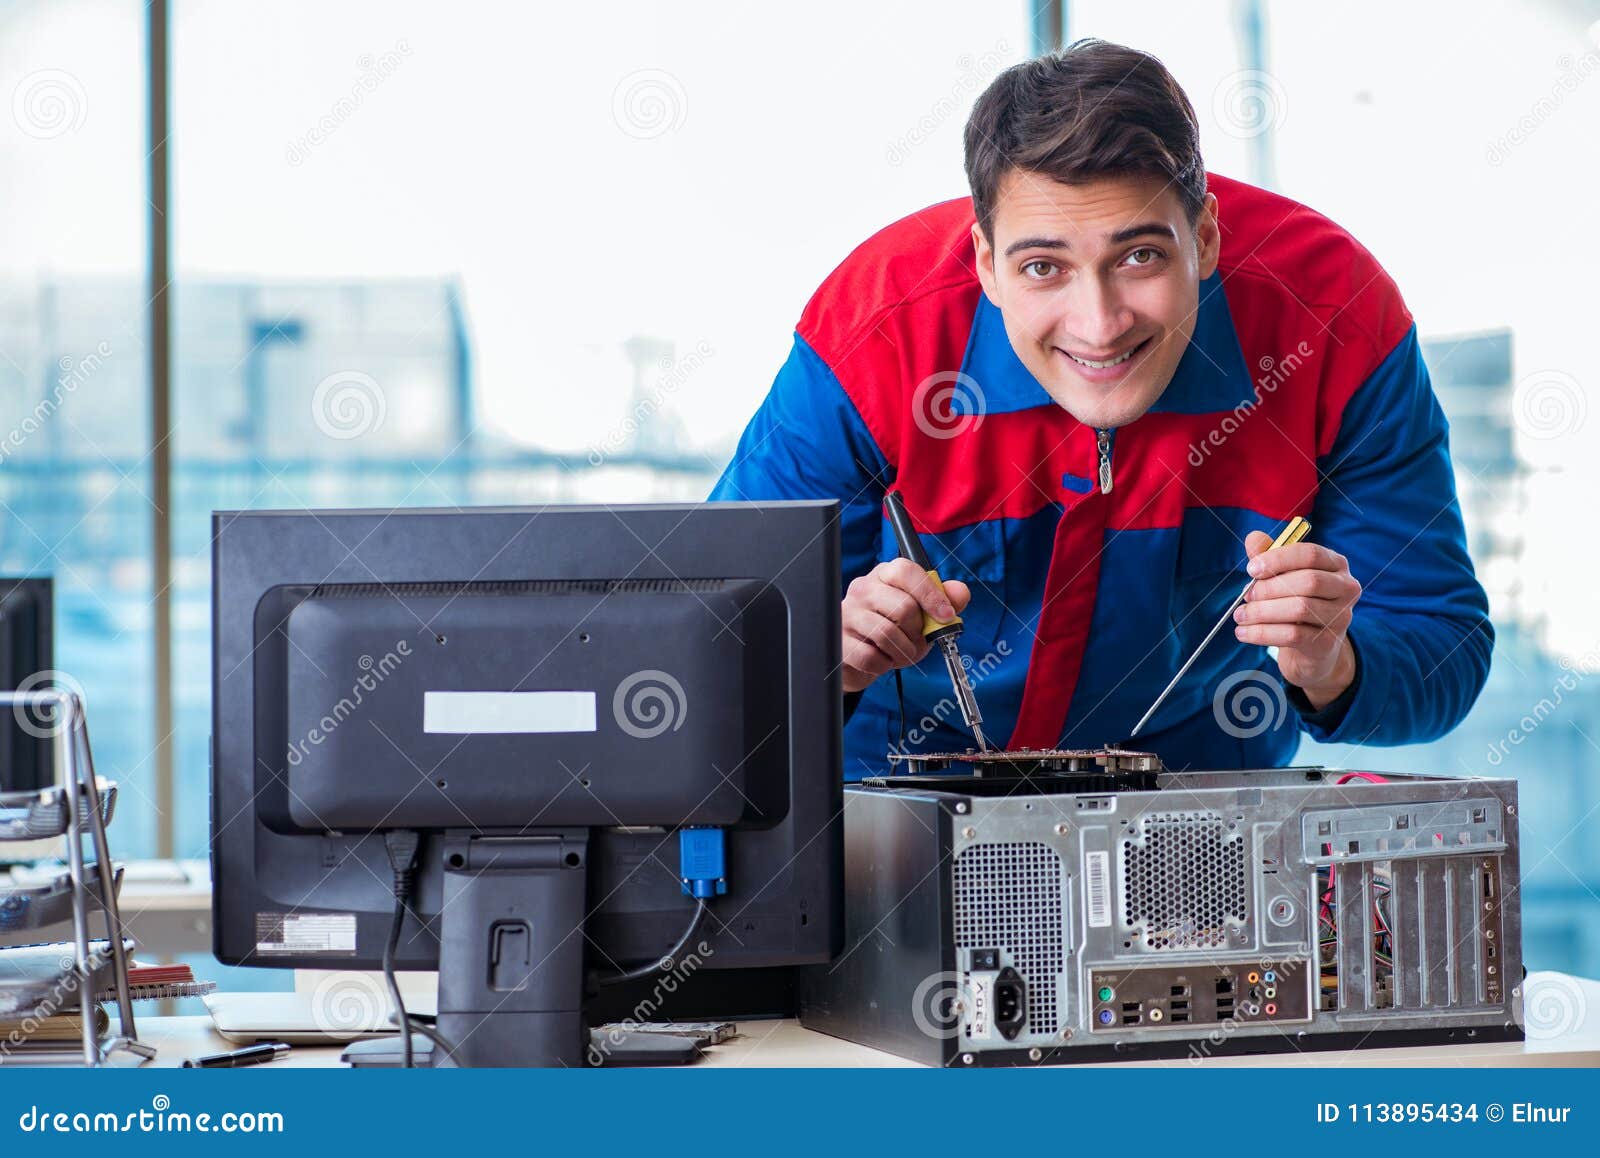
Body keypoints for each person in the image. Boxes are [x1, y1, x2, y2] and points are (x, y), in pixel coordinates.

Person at [711, 40, 1492, 779]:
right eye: (1044, 267)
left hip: (1197, 827)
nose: (1100, 323)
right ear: (985, 262)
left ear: (1207, 236)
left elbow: (1444, 643)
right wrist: (825, 663)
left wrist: (1334, 664)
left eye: (1140, 256)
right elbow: (711, 658)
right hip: (893, 807)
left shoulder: (1336, 320)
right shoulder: (874, 331)